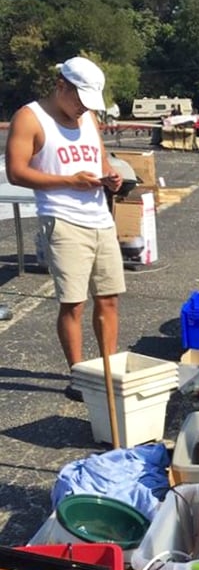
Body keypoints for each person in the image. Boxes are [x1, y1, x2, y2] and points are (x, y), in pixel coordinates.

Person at [4, 56, 126, 401]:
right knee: (73, 302)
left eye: (89, 104)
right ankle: (78, 375)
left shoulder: (88, 118)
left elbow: (100, 161)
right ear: (61, 86)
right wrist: (67, 180)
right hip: (63, 218)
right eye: (79, 101)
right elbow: (16, 172)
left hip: (100, 217)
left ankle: (107, 369)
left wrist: (111, 177)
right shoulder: (30, 117)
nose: (83, 110)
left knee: (110, 297)